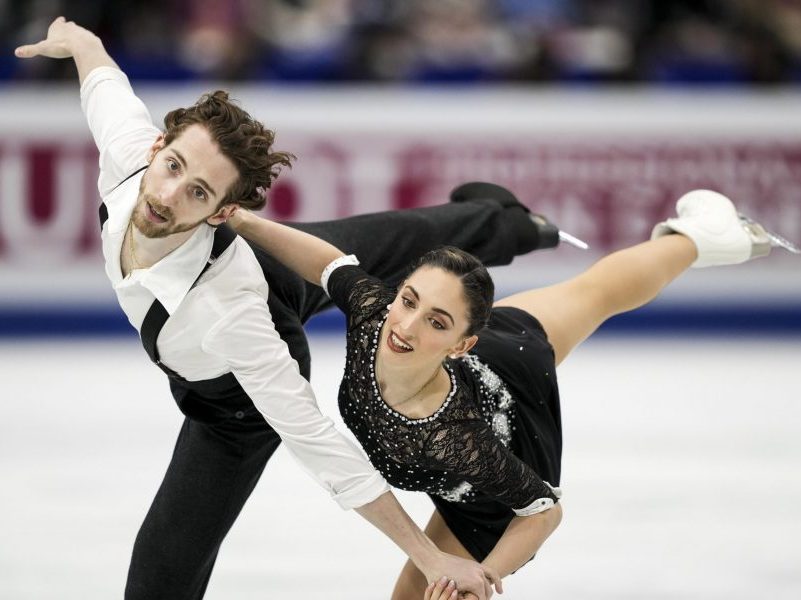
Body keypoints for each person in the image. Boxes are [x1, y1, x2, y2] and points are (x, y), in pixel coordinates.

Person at [14, 16, 584, 599]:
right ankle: (503, 222)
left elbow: (317, 440)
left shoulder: (231, 317)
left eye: (199, 192)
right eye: (174, 167)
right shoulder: (131, 163)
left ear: (222, 213)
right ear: (157, 149)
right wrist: (80, 41)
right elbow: (105, 85)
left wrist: (428, 556)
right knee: (369, 244)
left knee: (159, 573)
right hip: (241, 273)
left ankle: (518, 225)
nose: (166, 195)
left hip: (233, 404)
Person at [227, 188, 797, 598]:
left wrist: (487, 575)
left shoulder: (457, 440)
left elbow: (543, 511)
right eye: (409, 300)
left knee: (426, 594)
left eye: (436, 320)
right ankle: (703, 238)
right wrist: (244, 220)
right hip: (488, 361)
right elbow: (330, 262)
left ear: (460, 342)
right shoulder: (378, 314)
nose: (407, 326)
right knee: (593, 291)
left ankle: (697, 242)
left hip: (493, 451)